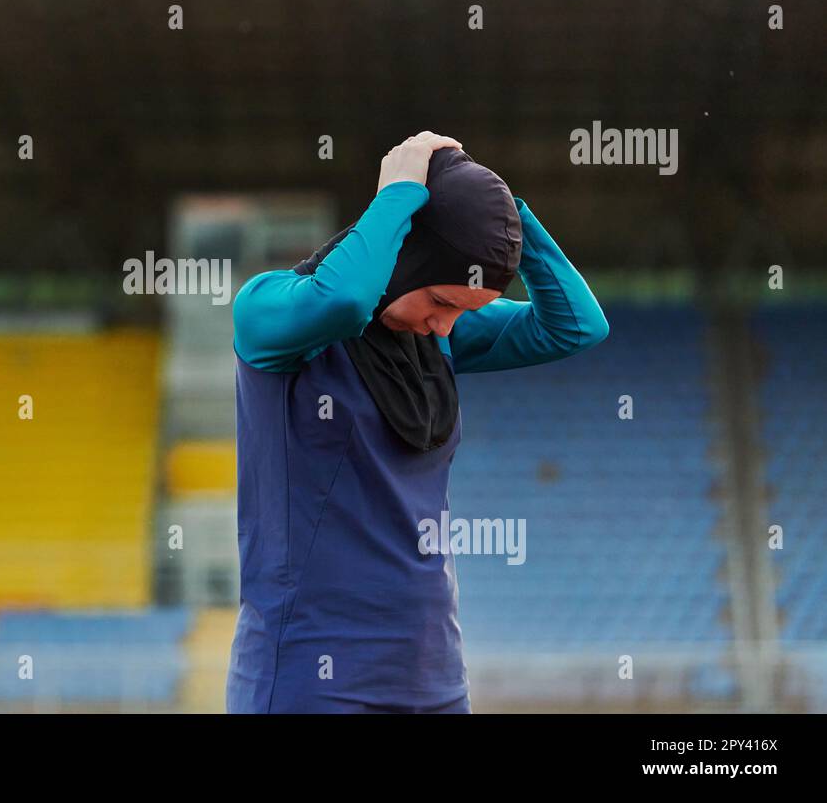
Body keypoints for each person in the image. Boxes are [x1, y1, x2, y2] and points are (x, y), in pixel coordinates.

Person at [226, 131, 609, 713]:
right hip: (310, 677)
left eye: (462, 311)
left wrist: (502, 212)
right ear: (407, 256)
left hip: (433, 677)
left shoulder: (431, 342)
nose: (446, 325)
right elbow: (347, 302)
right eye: (440, 301)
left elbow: (576, 326)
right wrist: (401, 191)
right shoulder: (269, 314)